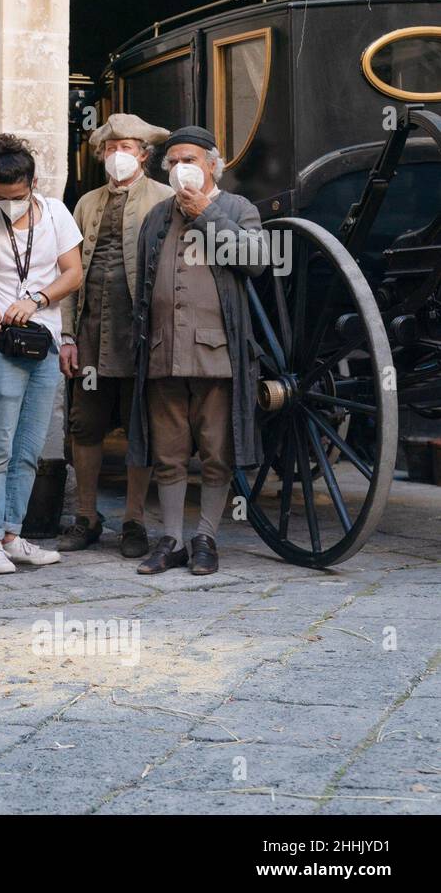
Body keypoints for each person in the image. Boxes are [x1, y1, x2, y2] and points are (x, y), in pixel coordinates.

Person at [128, 126, 267, 575]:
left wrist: (207, 213)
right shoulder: (156, 216)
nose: (179, 168)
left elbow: (255, 260)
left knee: (215, 452)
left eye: (188, 159)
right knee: (167, 454)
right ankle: (170, 540)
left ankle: (205, 537)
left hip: (217, 355)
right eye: (172, 162)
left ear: (212, 163)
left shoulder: (238, 209)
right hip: (163, 354)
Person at [57, 114, 173, 558]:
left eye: (128, 147)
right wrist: (67, 335)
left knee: (139, 428)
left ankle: (134, 521)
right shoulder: (86, 203)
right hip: (90, 335)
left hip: (140, 337)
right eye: (111, 147)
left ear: (144, 155)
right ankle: (86, 516)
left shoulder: (164, 198)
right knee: (84, 426)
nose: (118, 155)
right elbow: (68, 272)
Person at [0, 135, 83, 575]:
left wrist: (35, 299)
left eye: (16, 197)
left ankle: (13, 534)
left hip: (43, 339)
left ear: (33, 184)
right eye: (0, 196)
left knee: (30, 446)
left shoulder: (55, 212)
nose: (8, 204)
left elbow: (73, 272)